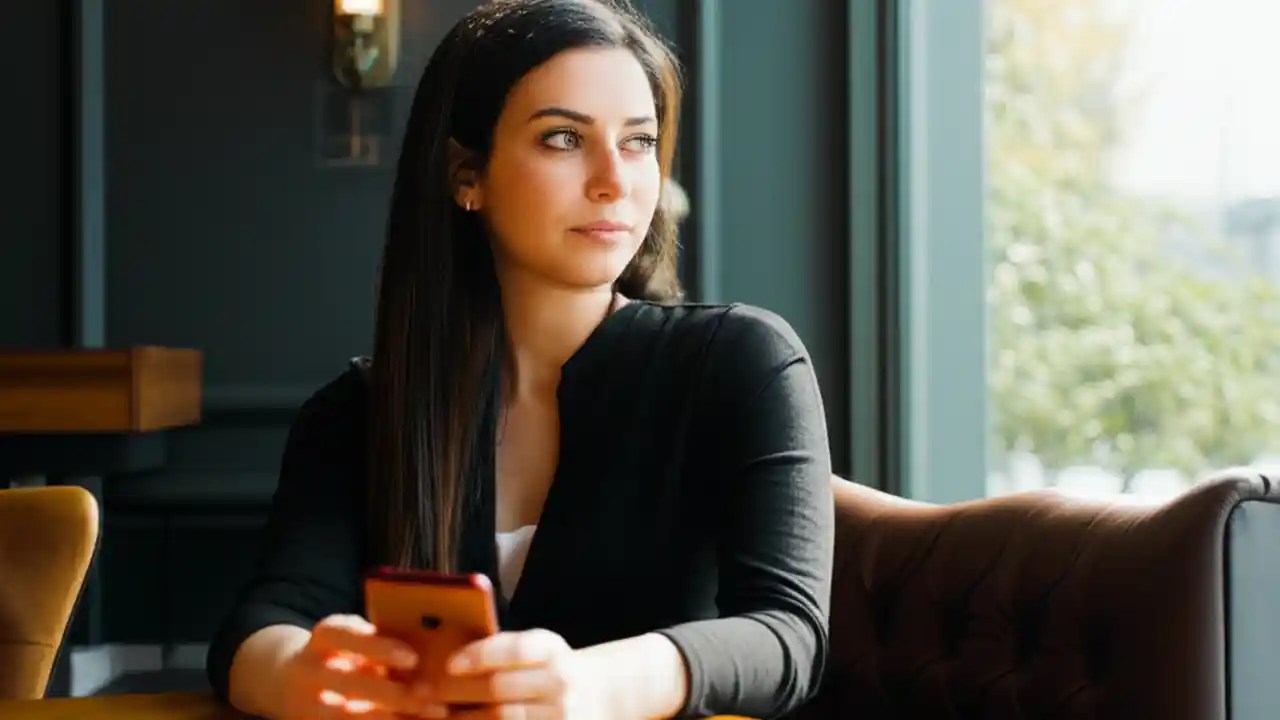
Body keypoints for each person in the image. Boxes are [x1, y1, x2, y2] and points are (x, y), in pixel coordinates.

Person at [205, 0, 834, 718]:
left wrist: (595, 687)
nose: (614, 179)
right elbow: (261, 626)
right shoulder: (357, 414)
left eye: (638, 142)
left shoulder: (742, 361)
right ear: (465, 174)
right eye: (564, 138)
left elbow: (787, 634)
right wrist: (299, 673)